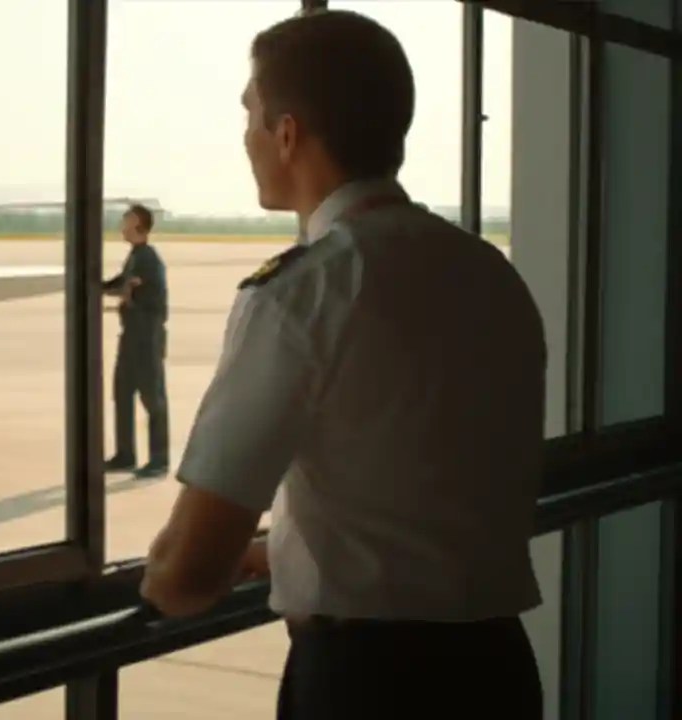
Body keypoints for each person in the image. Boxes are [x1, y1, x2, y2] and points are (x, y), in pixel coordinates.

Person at [137, 9, 547, 720]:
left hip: (373, 686)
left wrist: (164, 577)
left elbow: (190, 573)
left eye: (251, 116)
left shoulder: (303, 292)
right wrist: (286, 548)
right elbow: (422, 484)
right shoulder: (489, 274)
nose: (246, 138)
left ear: (288, 133)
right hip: (498, 672)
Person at [102, 203, 170, 479]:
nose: (122, 226)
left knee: (152, 399)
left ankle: (159, 460)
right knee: (122, 394)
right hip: (131, 336)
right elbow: (120, 283)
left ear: (139, 226)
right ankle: (125, 455)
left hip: (147, 338)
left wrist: (125, 291)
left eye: (126, 221)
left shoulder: (149, 259)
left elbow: (131, 288)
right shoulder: (135, 256)